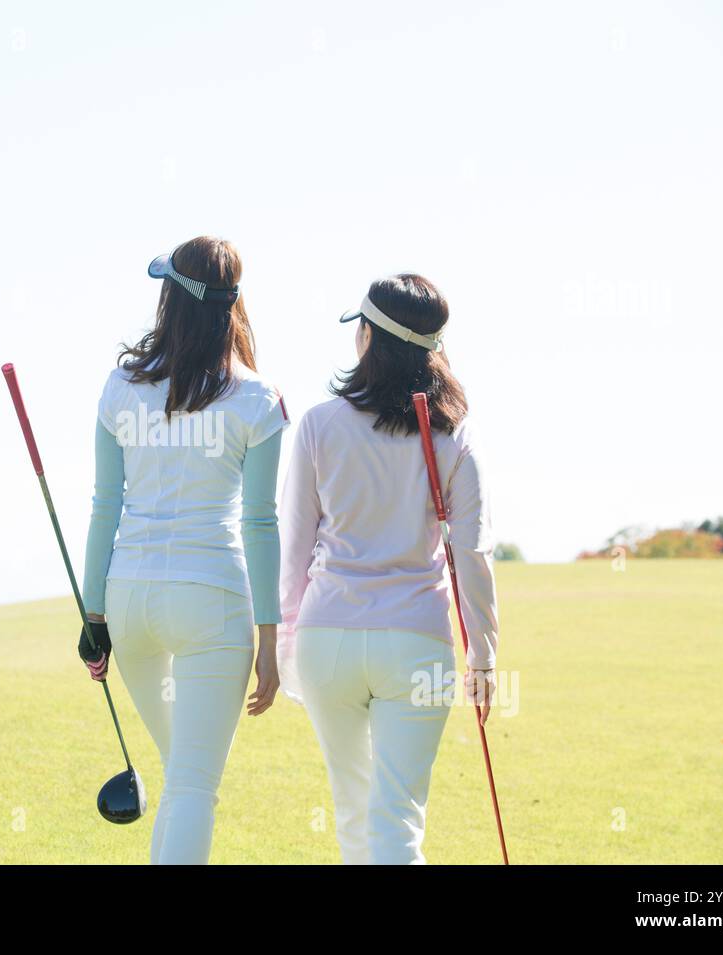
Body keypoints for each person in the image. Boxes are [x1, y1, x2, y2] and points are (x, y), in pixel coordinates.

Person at [80, 236, 288, 865]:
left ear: (171, 297)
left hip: (130, 600)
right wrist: (271, 642)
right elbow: (259, 523)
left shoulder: (120, 387)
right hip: (213, 603)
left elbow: (104, 507)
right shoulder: (258, 399)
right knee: (194, 786)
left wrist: (94, 619)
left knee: (180, 780)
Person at [277, 273, 498, 865]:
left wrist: (286, 642)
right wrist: (484, 654)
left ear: (370, 338)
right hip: (417, 643)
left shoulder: (319, 424)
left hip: (329, 641)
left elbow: (294, 544)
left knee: (353, 813)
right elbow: (471, 554)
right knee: (396, 819)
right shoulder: (456, 434)